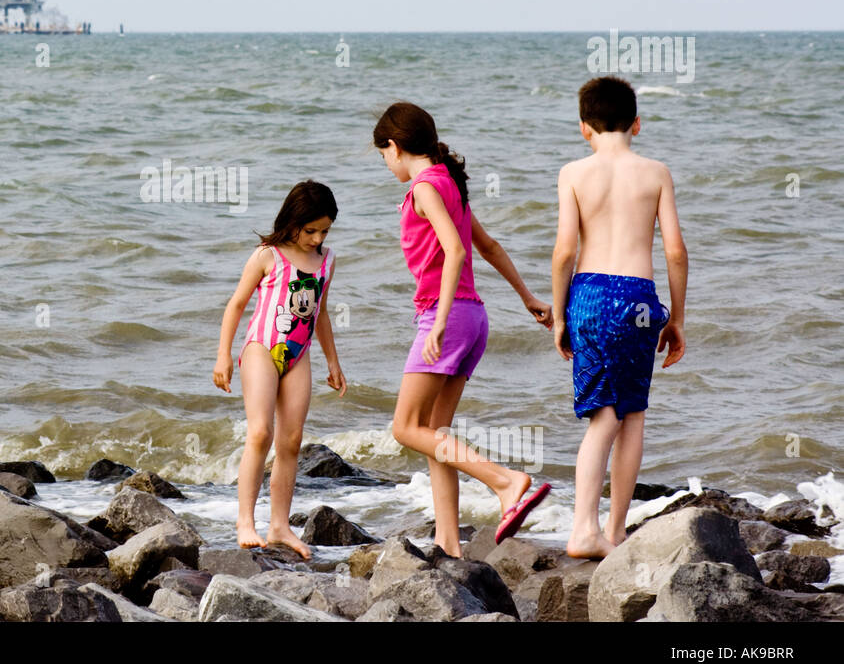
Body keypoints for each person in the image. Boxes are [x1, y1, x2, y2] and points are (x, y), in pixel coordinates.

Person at [374, 102, 553, 556]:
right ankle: (449, 542)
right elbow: (487, 246)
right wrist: (527, 297)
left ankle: (506, 482)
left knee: (405, 427)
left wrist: (437, 323)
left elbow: (455, 252)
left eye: (383, 155)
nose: (385, 164)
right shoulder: (450, 185)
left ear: (394, 147)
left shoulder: (424, 189)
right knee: (437, 433)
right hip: (474, 318)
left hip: (447, 316)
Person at [552, 76, 687, 559]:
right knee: (631, 413)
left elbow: (565, 250)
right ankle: (610, 531)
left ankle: (587, 529)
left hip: (587, 295)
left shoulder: (572, 173)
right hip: (638, 300)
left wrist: (561, 313)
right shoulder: (656, 172)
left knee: (602, 413)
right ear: (637, 123)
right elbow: (674, 250)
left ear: (584, 128)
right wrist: (677, 318)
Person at [214, 180, 347, 559]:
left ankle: (279, 525)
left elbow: (319, 313)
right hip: (261, 349)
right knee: (260, 432)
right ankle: (244, 522)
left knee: (290, 441)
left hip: (298, 355)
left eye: (325, 230)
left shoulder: (327, 260)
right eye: (311, 230)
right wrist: (224, 355)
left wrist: (333, 362)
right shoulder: (267, 255)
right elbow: (236, 304)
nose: (317, 237)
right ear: (293, 221)